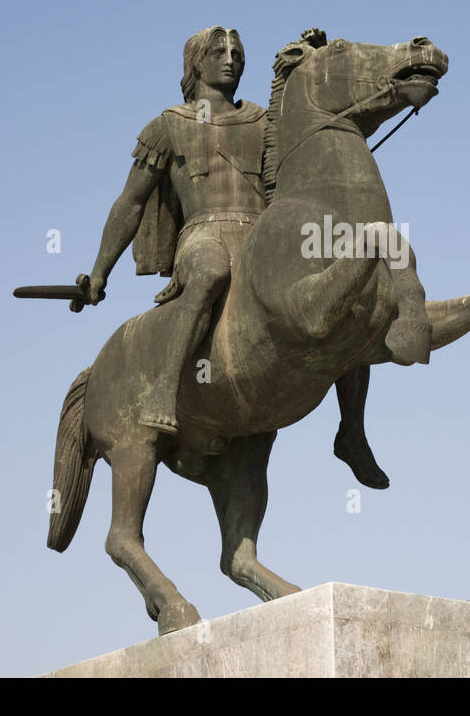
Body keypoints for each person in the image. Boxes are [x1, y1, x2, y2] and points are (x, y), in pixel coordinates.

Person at [79, 26, 391, 488]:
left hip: (265, 238)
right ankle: (163, 392)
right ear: (195, 64)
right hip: (204, 234)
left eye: (238, 52)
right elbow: (130, 202)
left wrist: (315, 59)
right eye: (219, 52)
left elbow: (329, 118)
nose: (232, 59)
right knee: (207, 273)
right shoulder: (169, 125)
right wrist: (99, 273)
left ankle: (352, 430)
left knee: (348, 289)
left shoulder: (265, 121)